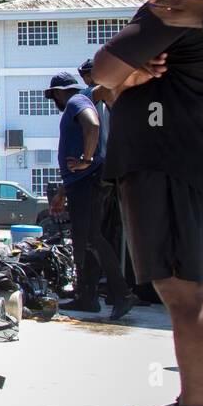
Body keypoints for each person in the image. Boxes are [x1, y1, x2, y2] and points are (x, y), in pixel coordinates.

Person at [91, 0, 203, 406]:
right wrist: (117, 80)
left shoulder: (182, 3)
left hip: (171, 164)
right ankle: (193, 398)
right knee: (180, 288)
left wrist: (120, 77)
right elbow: (104, 83)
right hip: (173, 161)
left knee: (185, 293)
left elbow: (102, 70)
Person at [44, 71, 137, 320]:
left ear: (59, 93)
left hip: (88, 181)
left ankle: (121, 293)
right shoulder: (84, 100)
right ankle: (88, 297)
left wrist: (87, 158)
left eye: (53, 96)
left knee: (92, 238)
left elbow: (92, 125)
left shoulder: (76, 102)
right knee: (86, 240)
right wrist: (63, 191)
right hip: (81, 182)